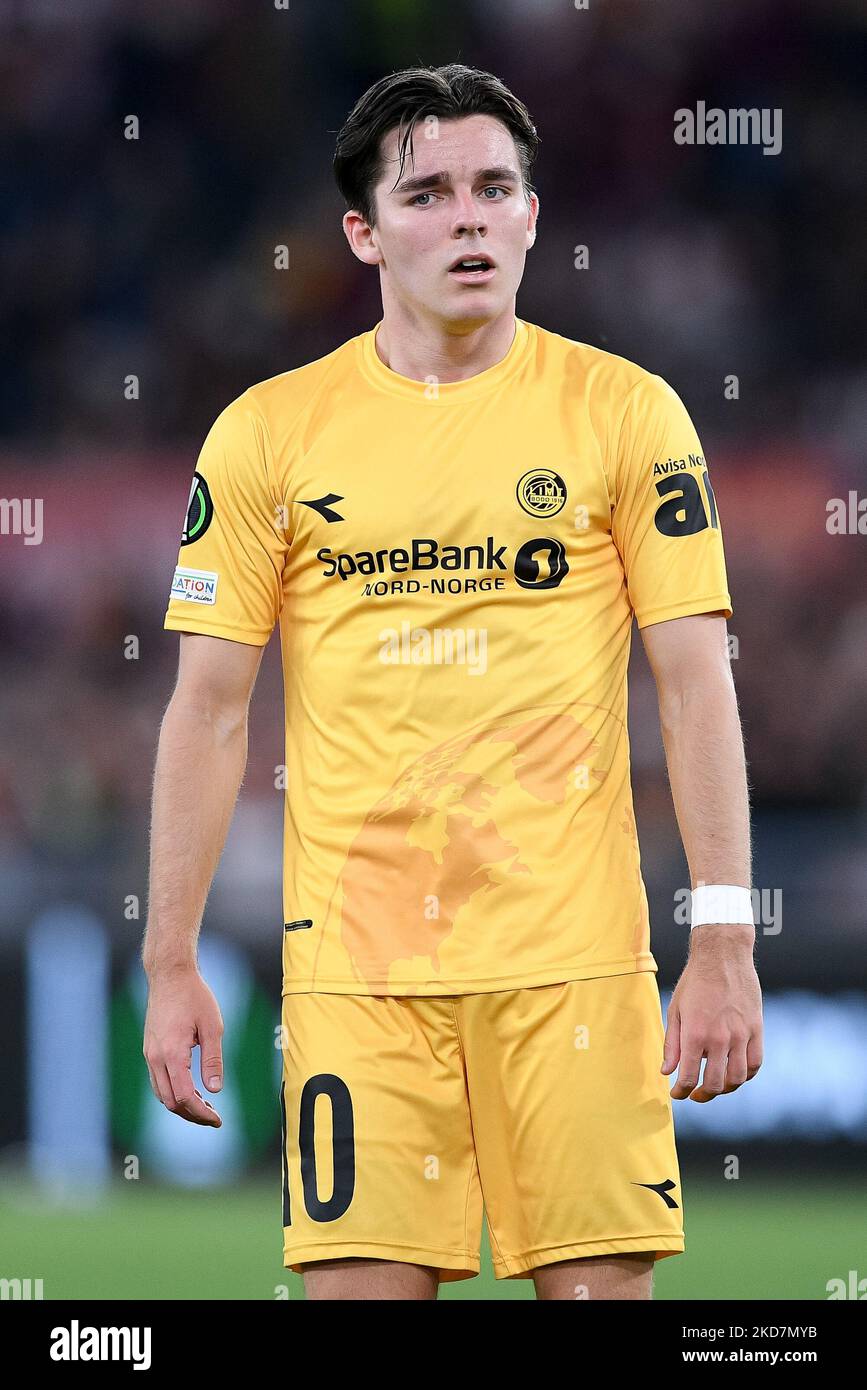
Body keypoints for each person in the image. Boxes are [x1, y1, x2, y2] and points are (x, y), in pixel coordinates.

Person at [142, 63, 763, 1302]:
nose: (468, 217)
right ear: (364, 234)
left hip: (575, 962)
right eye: (427, 193)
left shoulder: (628, 415)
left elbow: (696, 685)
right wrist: (168, 958)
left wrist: (727, 935)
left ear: (534, 215)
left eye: (495, 188)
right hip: (358, 975)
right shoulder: (269, 432)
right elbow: (209, 708)